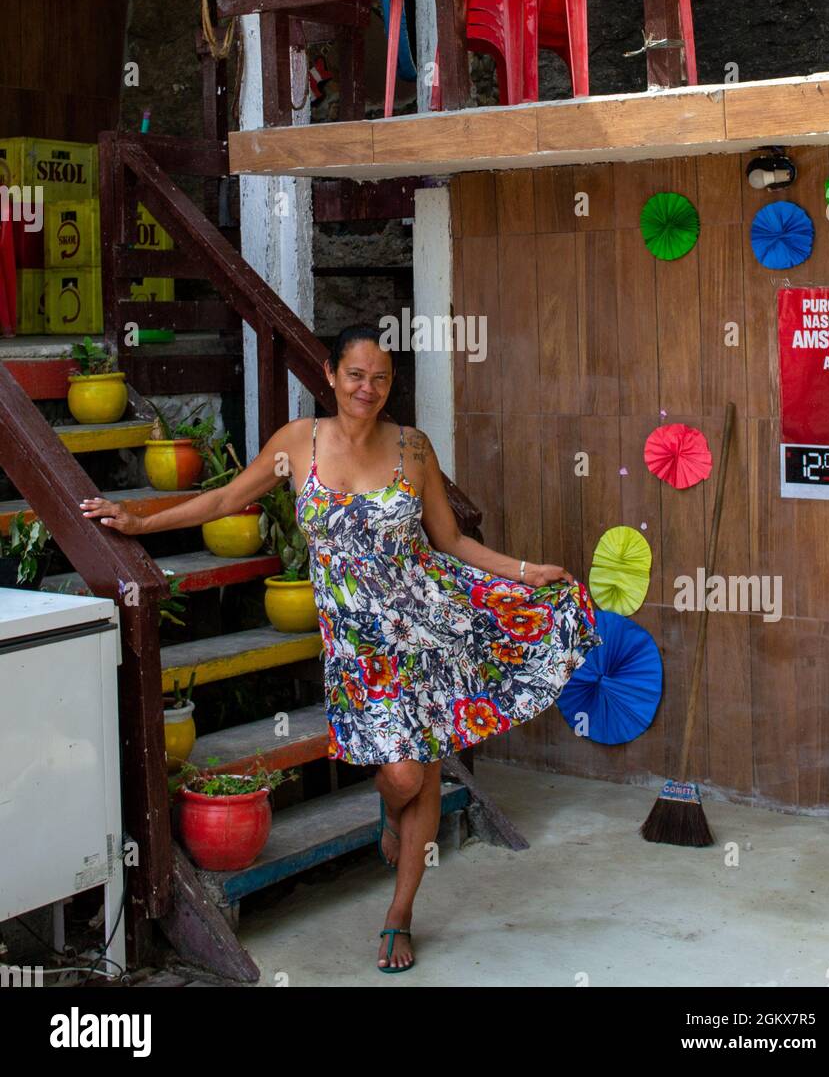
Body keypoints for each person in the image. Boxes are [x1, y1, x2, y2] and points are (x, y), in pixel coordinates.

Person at [81, 323, 602, 974]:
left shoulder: (414, 448)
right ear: (329, 374)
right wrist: (140, 522)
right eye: (356, 374)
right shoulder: (298, 445)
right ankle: (391, 809)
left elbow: (452, 542)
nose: (368, 388)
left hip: (428, 629)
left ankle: (398, 917)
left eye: (381, 377)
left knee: (424, 767)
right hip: (355, 651)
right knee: (401, 776)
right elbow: (222, 498)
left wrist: (525, 573)